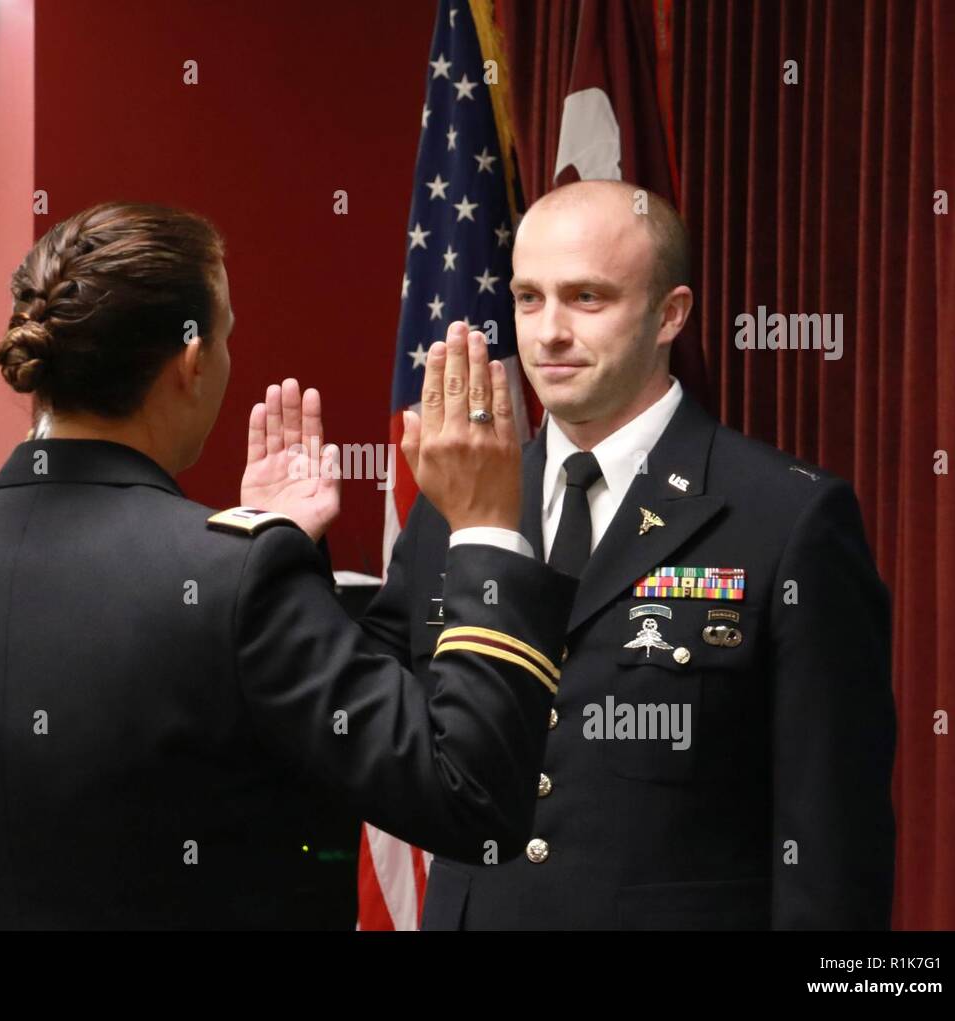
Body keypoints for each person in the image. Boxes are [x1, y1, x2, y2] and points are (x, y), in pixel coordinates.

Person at [0, 201, 576, 929]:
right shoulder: (234, 581)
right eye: (227, 332)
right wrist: (482, 530)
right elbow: (470, 799)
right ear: (191, 359)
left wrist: (279, 559)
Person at [355, 180, 896, 929]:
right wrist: (280, 554)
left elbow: (833, 840)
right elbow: (372, 727)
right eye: (529, 296)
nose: (547, 333)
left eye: (587, 298)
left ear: (670, 313)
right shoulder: (459, 501)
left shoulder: (788, 516)